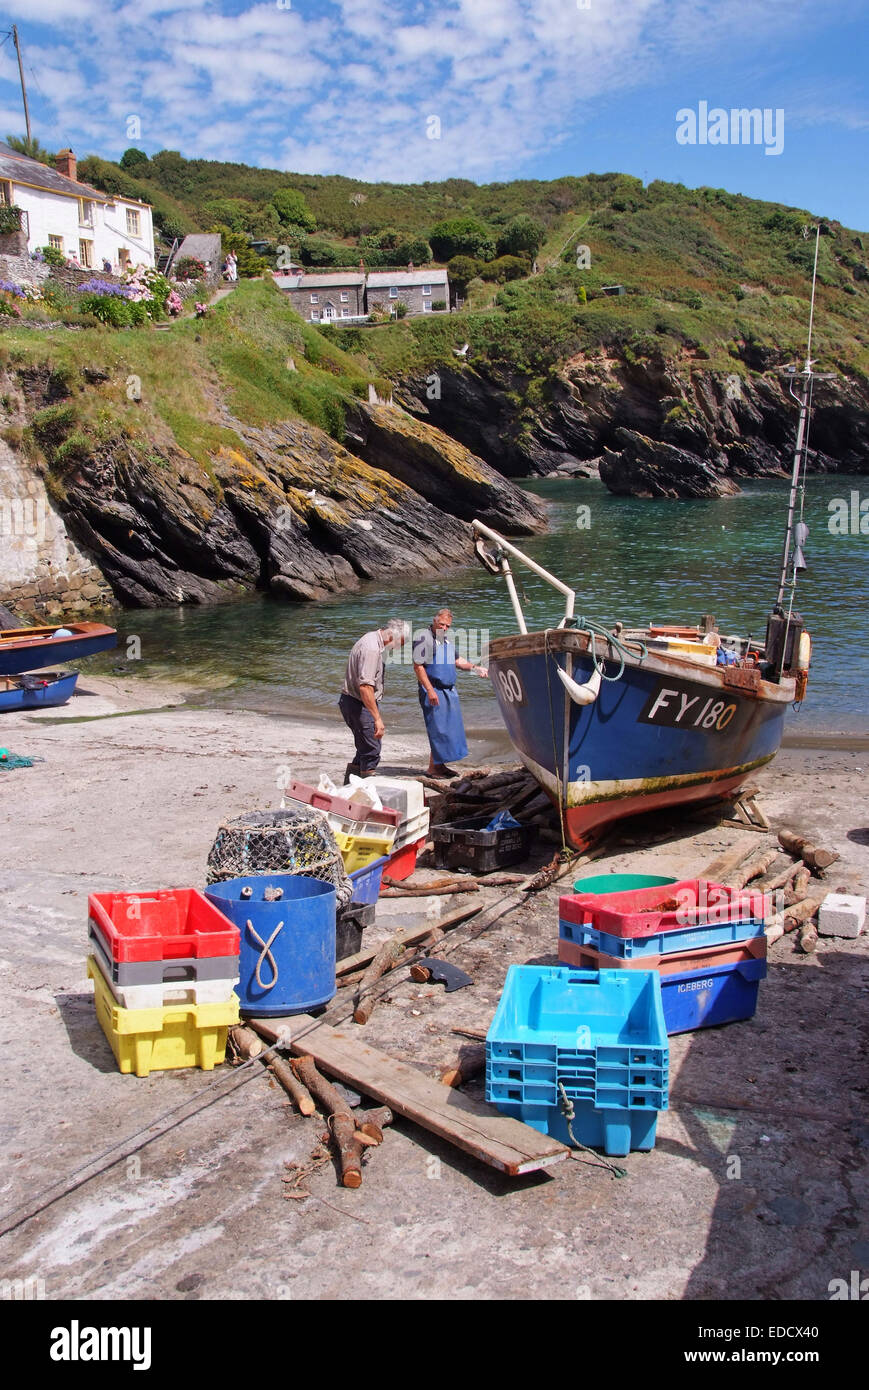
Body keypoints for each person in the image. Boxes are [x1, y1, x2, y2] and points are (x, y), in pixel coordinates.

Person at [413, 608, 488, 778]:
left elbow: (457, 661)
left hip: (448, 690)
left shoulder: (444, 639)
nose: (444, 628)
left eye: (447, 626)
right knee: (438, 729)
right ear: (434, 621)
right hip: (433, 689)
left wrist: (475, 668)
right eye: (441, 624)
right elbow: (418, 667)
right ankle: (433, 769)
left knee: (448, 729)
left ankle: (440, 766)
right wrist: (430, 691)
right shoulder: (423, 638)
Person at [339, 618, 410, 779]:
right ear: (392, 636)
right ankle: (366, 786)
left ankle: (350, 786)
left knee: (364, 748)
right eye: (400, 644)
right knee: (372, 750)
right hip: (358, 704)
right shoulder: (372, 649)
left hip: (352, 701)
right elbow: (365, 687)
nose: (398, 649)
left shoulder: (372, 638)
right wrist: (377, 719)